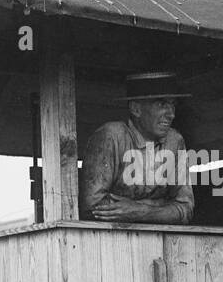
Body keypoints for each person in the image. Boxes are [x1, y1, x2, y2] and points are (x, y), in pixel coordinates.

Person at [79, 72, 195, 224]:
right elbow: (92, 206)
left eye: (173, 104)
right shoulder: (111, 136)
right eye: (162, 104)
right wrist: (161, 207)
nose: (171, 114)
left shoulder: (175, 141)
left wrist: (141, 212)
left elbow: (186, 209)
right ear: (136, 109)